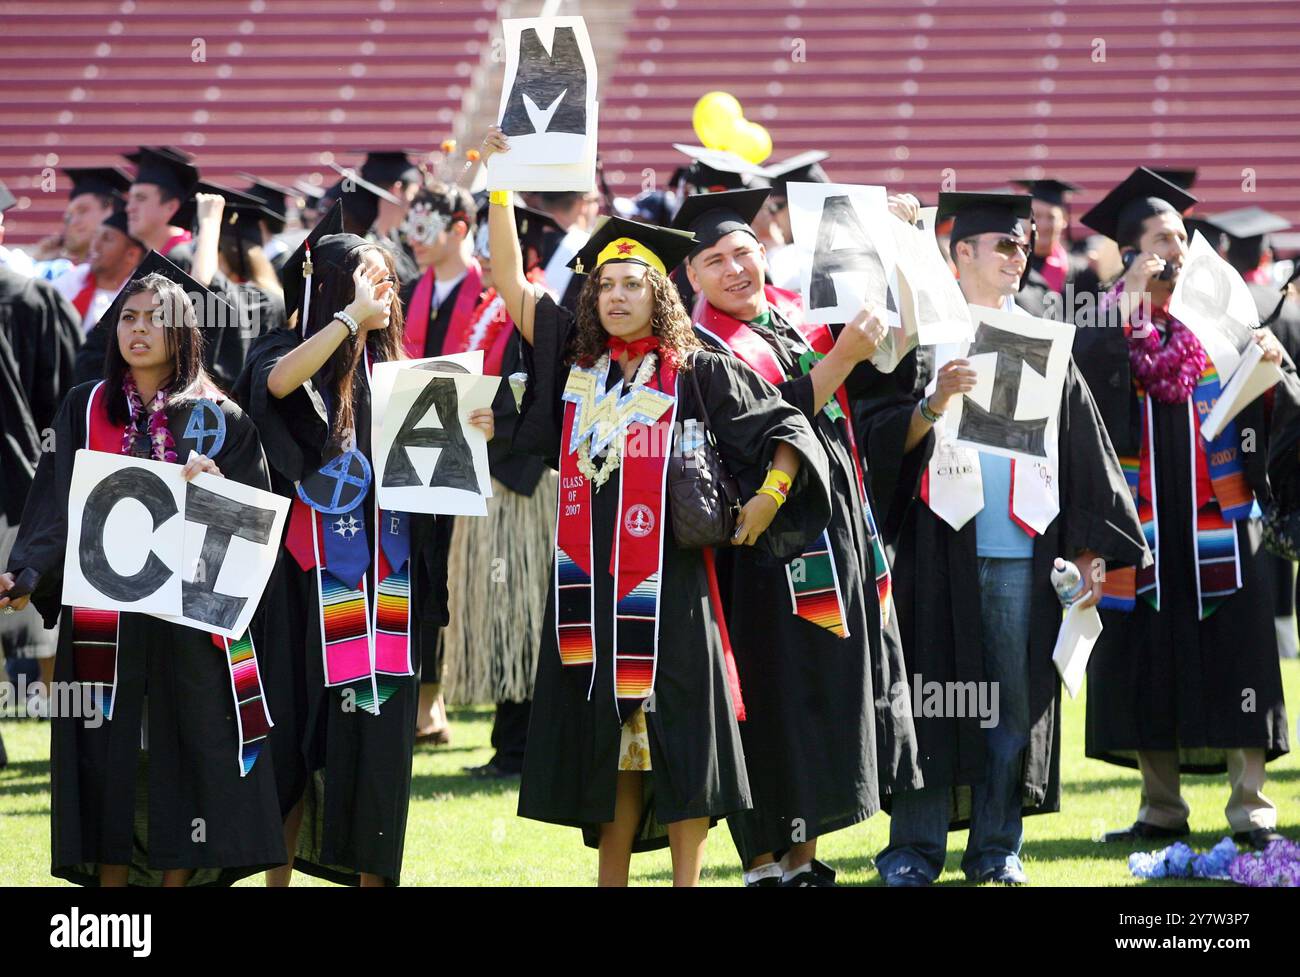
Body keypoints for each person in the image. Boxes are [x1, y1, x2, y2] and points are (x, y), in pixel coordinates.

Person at [483, 127, 832, 886]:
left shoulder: (697, 371)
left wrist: (769, 501)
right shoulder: (574, 369)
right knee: (612, 745)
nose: (615, 296)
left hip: (674, 591)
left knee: (684, 742)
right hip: (587, 590)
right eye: (605, 285)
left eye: (632, 284)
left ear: (659, 293)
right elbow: (510, 278)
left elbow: (788, 426)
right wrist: (501, 182)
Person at [856, 190, 1149, 886]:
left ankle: (996, 848)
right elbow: (873, 434)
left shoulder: (1044, 334)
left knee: (1012, 706)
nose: (1022, 256)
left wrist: (1089, 547)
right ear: (961, 254)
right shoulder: (921, 334)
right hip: (938, 546)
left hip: (1022, 548)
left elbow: (1080, 445)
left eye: (1024, 246)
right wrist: (933, 402)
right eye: (1005, 246)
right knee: (931, 698)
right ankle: (914, 850)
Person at [0, 257, 285, 885]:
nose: (137, 329)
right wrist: (24, 572)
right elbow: (54, 505)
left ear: (183, 331)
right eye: (128, 317)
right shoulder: (86, 408)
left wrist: (215, 491)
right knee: (107, 749)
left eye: (155, 319)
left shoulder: (220, 418)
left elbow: (250, 526)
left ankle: (178, 881)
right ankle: (111, 891)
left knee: (186, 747)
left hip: (187, 619)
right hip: (107, 612)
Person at [672, 187, 922, 886]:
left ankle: (803, 856)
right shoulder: (701, 346)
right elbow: (768, 430)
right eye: (715, 261)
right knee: (771, 692)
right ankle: (761, 860)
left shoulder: (788, 316)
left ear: (763, 251)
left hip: (828, 530)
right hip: (759, 555)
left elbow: (894, 339)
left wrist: (895, 238)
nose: (734, 270)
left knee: (819, 684)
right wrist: (839, 358)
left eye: (743, 253)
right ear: (692, 276)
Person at [236, 206, 487, 886]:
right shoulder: (280, 353)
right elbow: (276, 387)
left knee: (376, 754)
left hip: (388, 588)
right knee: (290, 744)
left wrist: (473, 430)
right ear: (330, 288)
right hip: (298, 591)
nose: (383, 293)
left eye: (386, 281)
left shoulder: (406, 375)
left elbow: (438, 488)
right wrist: (347, 322)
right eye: (365, 280)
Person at [1075, 168, 1299, 851]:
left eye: (1181, 234)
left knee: (1240, 653)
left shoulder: (1221, 311)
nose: (1177, 246)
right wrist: (1132, 308)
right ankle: (1161, 806)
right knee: (1145, 656)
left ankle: (1252, 806)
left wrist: (1275, 365)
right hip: (1138, 520)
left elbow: (1274, 402)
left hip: (1220, 519)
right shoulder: (1100, 321)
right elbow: (1085, 396)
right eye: (1160, 237)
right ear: (1129, 252)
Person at [440, 196, 563, 778]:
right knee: (501, 610)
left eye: (497, 243)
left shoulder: (535, 305)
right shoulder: (488, 309)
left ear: (526, 251)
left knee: (521, 607)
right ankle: (509, 743)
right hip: (489, 475)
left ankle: (521, 746)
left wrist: (498, 416)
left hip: (521, 482)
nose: (484, 257)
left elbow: (538, 390)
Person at [52, 208, 145, 333]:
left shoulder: (140, 298)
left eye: (107, 239)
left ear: (131, 255)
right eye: (96, 236)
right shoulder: (73, 280)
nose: (95, 245)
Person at [1012, 177, 1090, 320]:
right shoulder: (1013, 265)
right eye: (1036, 216)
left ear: (1064, 220)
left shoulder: (1082, 273)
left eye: (1051, 217)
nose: (1043, 224)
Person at [761, 150, 832, 292]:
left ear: (804, 205)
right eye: (769, 209)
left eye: (777, 207)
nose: (772, 217)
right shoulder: (780, 259)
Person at [123, 147, 200, 259]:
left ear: (171, 207)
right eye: (130, 199)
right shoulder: (148, 257)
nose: (129, 208)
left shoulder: (189, 257)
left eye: (141, 198)